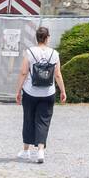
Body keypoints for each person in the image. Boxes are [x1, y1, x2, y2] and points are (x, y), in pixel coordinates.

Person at [15, 26, 66, 163]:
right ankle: (41, 152)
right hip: (48, 92)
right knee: (43, 121)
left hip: (31, 92)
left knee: (28, 119)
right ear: (48, 38)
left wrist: (18, 90)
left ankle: (26, 150)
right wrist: (63, 91)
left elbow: (23, 72)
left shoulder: (29, 52)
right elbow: (57, 74)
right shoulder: (54, 53)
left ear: (36, 38)